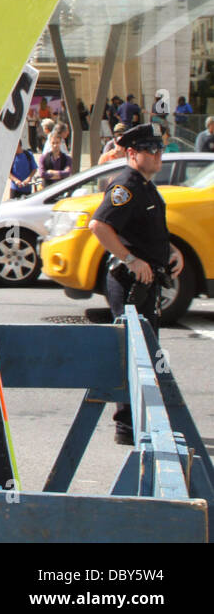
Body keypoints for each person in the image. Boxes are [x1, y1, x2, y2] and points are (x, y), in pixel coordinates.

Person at [88, 123, 184, 444]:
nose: (159, 156)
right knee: (132, 353)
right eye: (151, 151)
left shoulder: (145, 185)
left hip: (147, 280)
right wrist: (131, 259)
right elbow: (99, 225)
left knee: (144, 351)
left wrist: (171, 252)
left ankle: (142, 421)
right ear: (132, 153)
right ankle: (126, 427)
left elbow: (148, 230)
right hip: (130, 282)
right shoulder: (126, 185)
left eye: (161, 150)